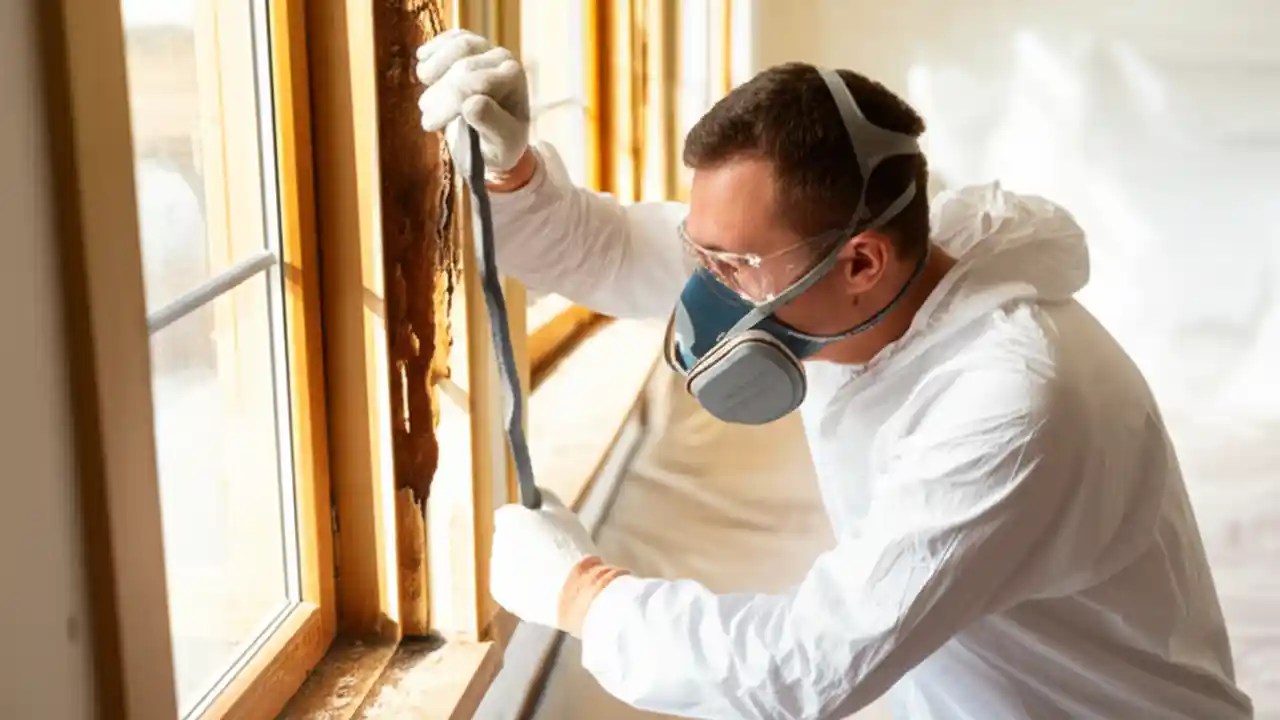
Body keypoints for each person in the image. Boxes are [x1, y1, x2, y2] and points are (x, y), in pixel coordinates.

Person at [415, 30, 1254, 720]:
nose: (705, 285)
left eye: (731, 264)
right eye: (701, 253)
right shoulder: (867, 279)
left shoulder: (1013, 402)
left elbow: (800, 671)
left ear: (860, 262)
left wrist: (582, 592)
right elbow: (606, 247)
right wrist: (513, 172)